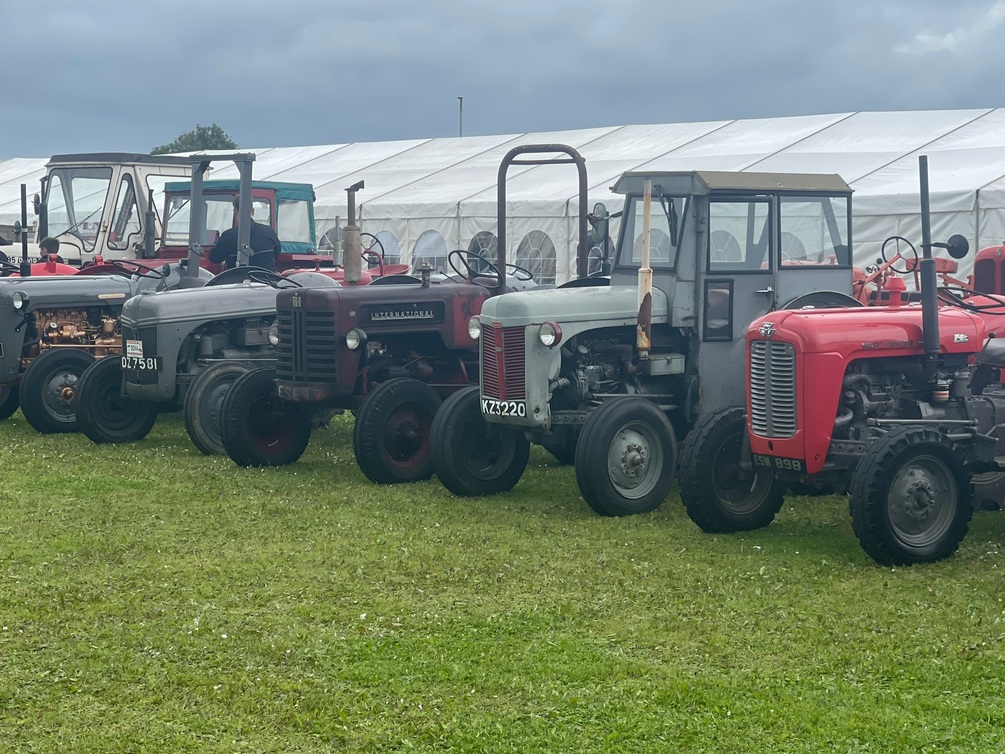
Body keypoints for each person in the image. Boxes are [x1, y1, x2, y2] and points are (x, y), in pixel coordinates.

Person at [208, 197, 282, 272]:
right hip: (267, 280)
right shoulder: (269, 231)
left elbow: (214, 258)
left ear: (235, 212)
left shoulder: (228, 236)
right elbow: (277, 251)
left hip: (237, 281)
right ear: (253, 211)